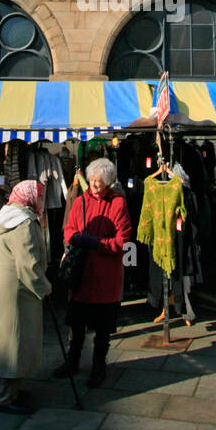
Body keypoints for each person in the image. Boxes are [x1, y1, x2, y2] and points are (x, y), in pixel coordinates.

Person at [53, 157, 132, 388]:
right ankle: (73, 360)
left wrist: (97, 243)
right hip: (82, 274)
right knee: (76, 325)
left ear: (108, 181)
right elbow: (68, 229)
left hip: (106, 276)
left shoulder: (117, 203)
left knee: (102, 329)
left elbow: (123, 240)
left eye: (99, 180)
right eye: (92, 179)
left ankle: (99, 367)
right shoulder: (80, 203)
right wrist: (74, 238)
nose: (95, 184)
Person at [0, 180, 51, 414]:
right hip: (15, 291)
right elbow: (28, 264)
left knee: (5, 340)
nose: (41, 200)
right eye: (39, 196)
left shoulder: (7, 215)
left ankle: (9, 390)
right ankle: (5, 398)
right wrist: (45, 288)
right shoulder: (23, 223)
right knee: (12, 343)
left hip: (1, 288)